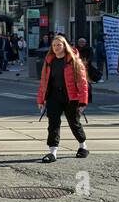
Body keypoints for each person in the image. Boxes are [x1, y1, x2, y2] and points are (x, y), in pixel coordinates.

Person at [36, 33, 90, 162]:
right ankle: (53, 152)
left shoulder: (74, 61)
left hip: (71, 97)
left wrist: (83, 102)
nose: (56, 47)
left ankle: (83, 146)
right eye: (54, 45)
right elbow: (44, 81)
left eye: (59, 45)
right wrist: (41, 100)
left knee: (74, 122)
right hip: (54, 96)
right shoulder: (49, 61)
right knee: (53, 123)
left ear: (64, 46)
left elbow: (82, 82)